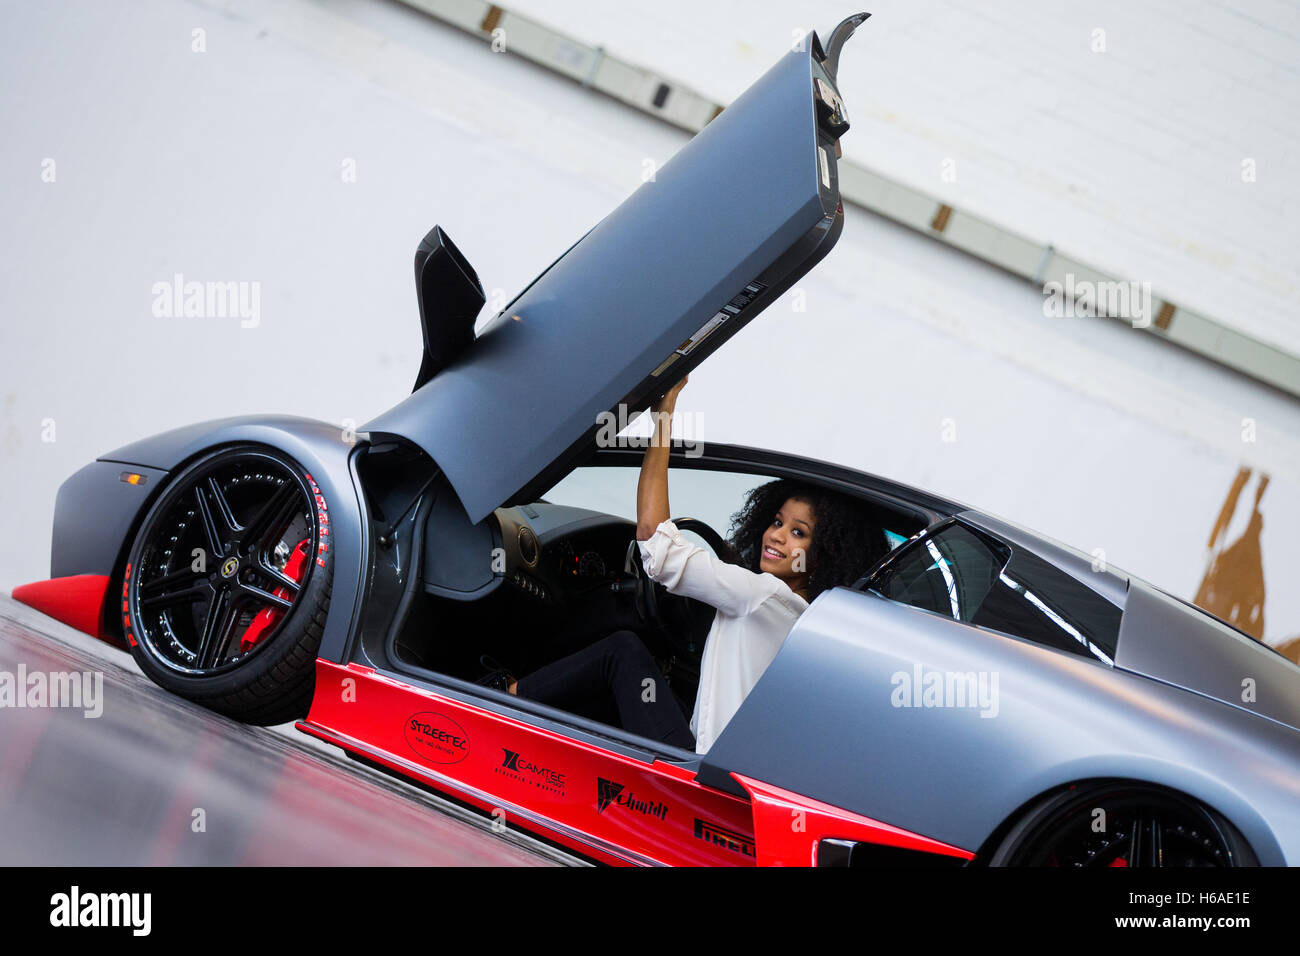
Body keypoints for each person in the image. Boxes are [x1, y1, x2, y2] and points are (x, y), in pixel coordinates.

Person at [483, 377, 882, 753]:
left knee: (621, 651)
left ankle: (495, 698)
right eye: (777, 522)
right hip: (714, 764)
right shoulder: (802, 617)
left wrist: (665, 412)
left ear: (824, 554)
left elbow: (656, 544)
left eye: (798, 533)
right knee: (645, 678)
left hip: (695, 768)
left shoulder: (761, 595)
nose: (777, 536)